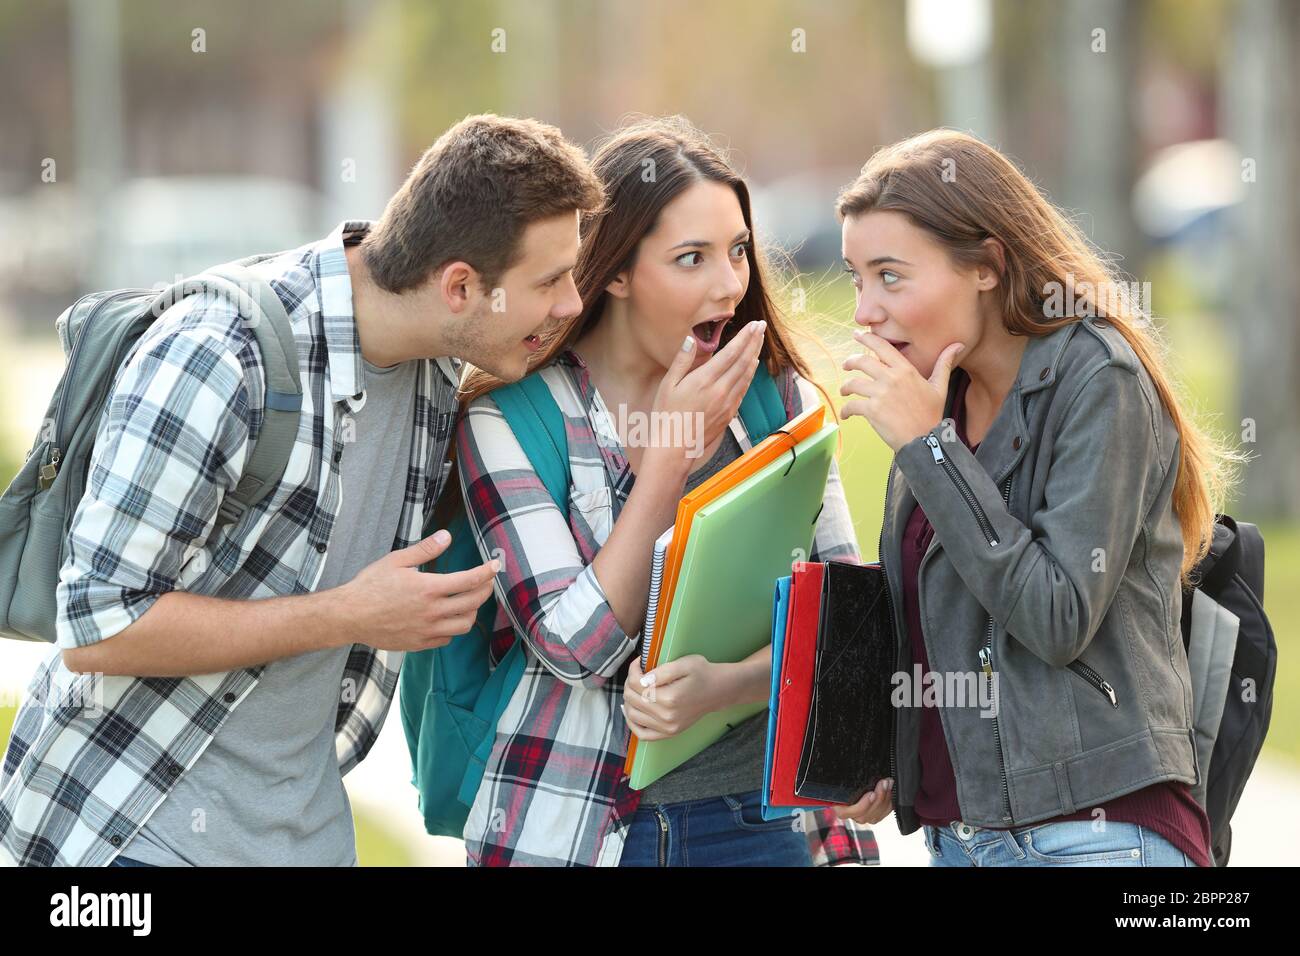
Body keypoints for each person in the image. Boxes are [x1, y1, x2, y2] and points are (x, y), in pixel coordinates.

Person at [0, 114, 604, 867]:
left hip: (304, 838)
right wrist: (345, 616)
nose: (572, 303)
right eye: (549, 280)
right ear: (458, 286)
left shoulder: (434, 368)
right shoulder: (223, 355)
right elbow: (97, 624)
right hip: (134, 833)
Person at [452, 116, 879, 867]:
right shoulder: (509, 419)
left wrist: (731, 685)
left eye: (738, 251)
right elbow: (577, 647)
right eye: (692, 258)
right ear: (613, 271)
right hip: (581, 830)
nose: (729, 284)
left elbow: (846, 630)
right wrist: (667, 464)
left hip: (766, 827)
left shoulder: (780, 401)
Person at [832, 129, 1239, 867]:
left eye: (890, 276)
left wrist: (930, 452)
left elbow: (1056, 616)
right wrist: (893, 758)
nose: (864, 310)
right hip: (962, 837)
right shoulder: (936, 401)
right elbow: (940, 615)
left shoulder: (1097, 380)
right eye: (856, 277)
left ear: (986, 265)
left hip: (1095, 831)